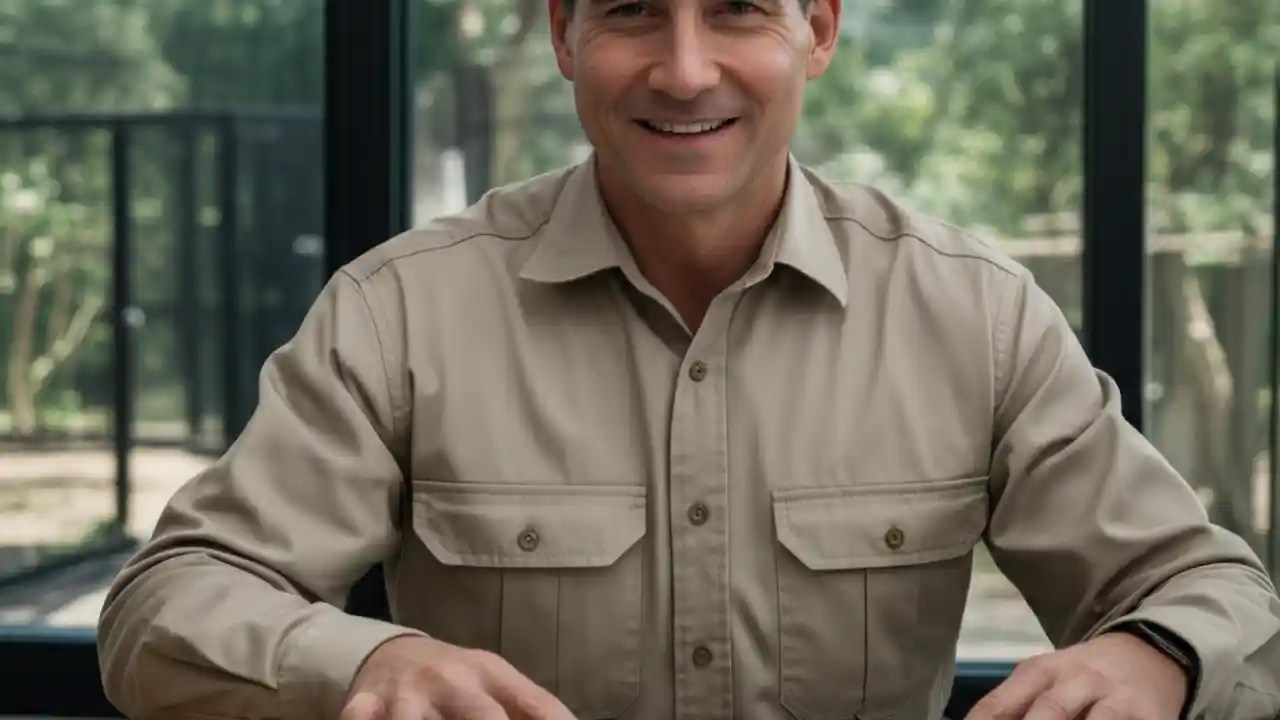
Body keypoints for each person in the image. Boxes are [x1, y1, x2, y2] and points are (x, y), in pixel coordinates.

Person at [97, 0, 1280, 717]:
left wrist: (1153, 656)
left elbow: (1217, 595)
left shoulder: (973, 315)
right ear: (563, 32)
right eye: (628, 13)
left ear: (814, 29)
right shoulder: (397, 311)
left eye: (734, 10)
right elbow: (163, 611)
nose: (681, 68)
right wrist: (371, 660)